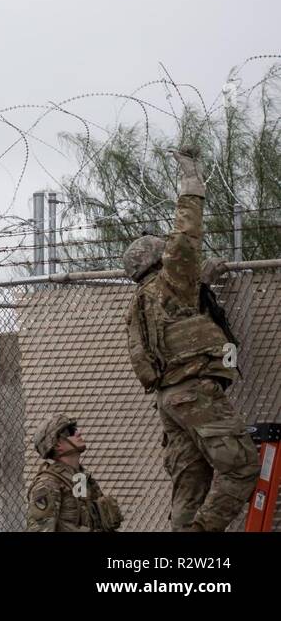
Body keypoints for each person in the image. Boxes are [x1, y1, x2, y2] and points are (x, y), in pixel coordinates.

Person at [123, 147, 260, 531]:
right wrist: (192, 182)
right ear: (160, 260)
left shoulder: (139, 303)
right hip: (196, 393)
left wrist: (200, 282)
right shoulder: (172, 281)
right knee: (242, 468)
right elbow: (186, 233)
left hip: (169, 402)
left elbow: (173, 315)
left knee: (189, 488)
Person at [26, 413, 122, 531]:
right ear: (56, 445)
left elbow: (85, 518)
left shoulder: (79, 477)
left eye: (75, 429)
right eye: (69, 432)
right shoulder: (48, 484)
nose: (78, 433)